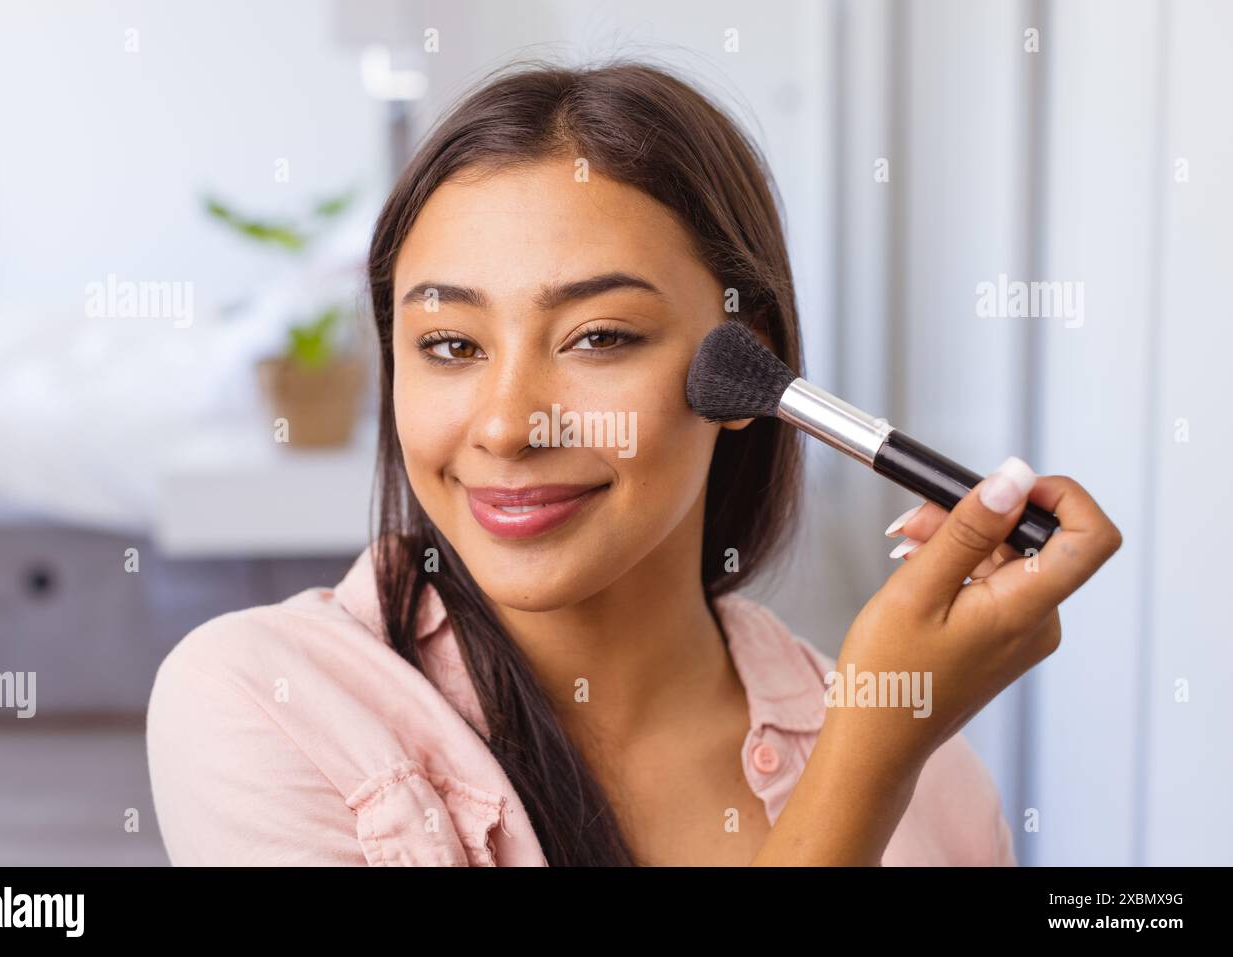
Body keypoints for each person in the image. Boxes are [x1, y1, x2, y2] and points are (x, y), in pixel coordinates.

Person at [146, 60, 1121, 866]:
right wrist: (861, 757)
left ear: (752, 372)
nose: (504, 427)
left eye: (600, 337)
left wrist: (881, 741)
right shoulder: (263, 703)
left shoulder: (935, 790)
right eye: (449, 345)